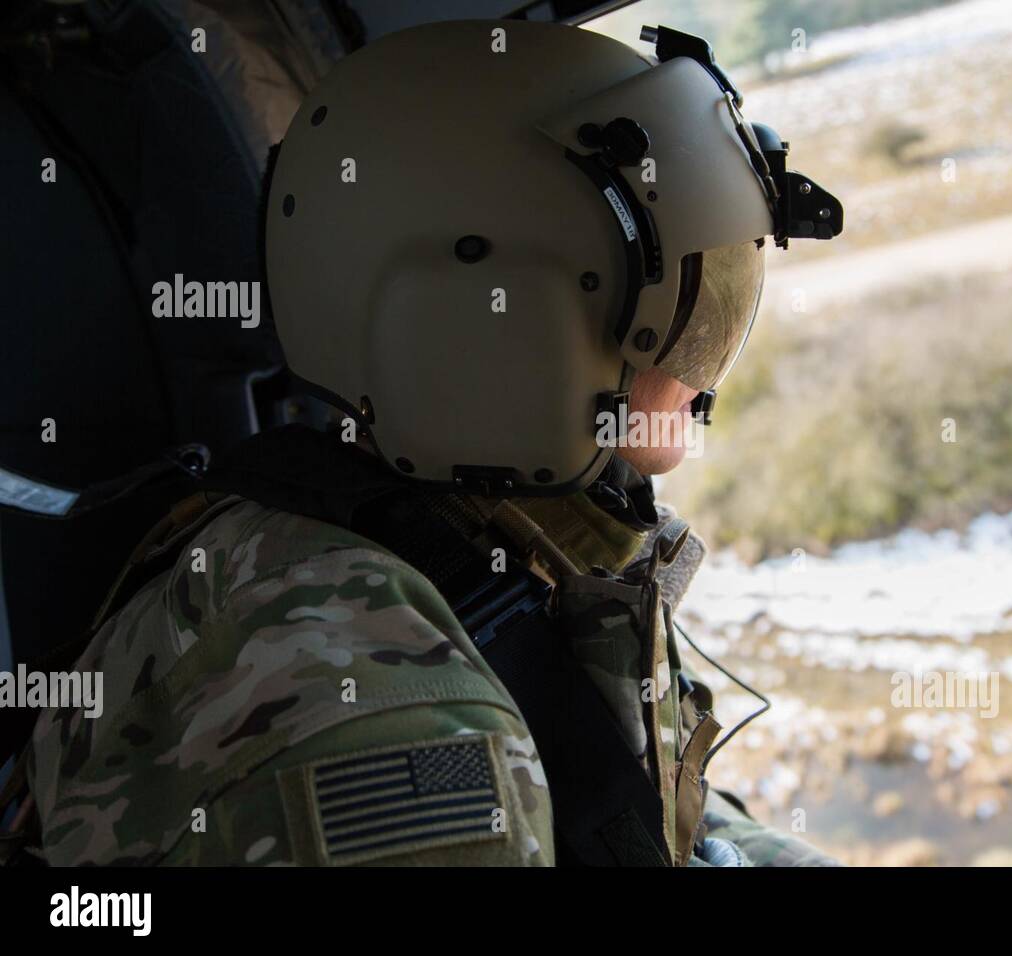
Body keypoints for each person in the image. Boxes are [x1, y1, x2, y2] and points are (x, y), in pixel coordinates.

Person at [7, 18, 843, 867]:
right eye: (690, 313)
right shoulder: (376, 709)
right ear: (501, 317)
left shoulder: (488, 549)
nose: (702, 371)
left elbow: (653, 818)